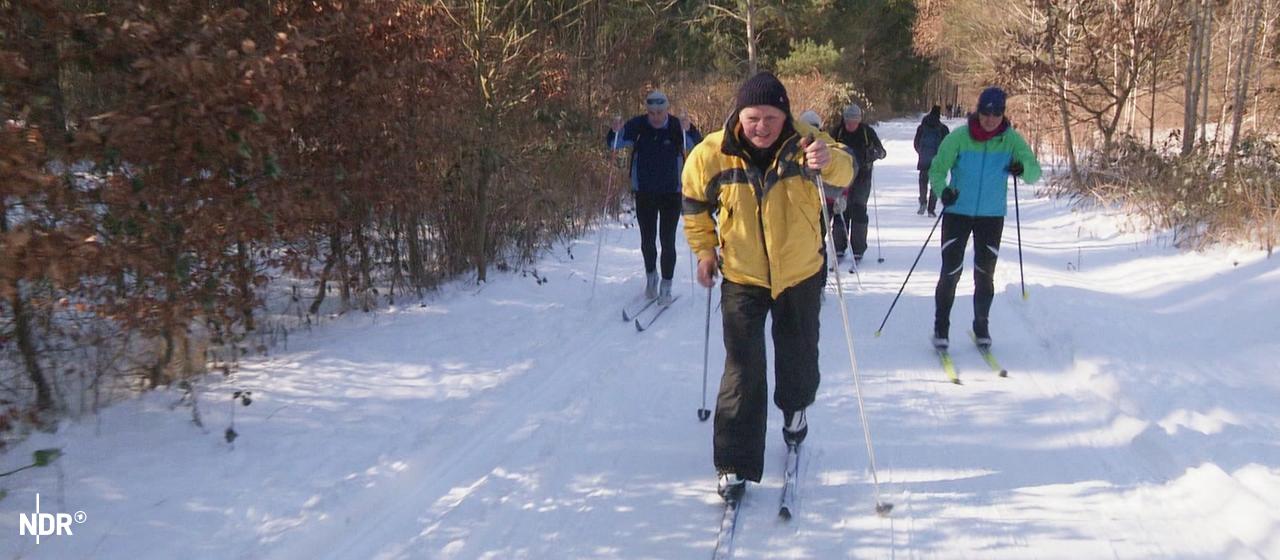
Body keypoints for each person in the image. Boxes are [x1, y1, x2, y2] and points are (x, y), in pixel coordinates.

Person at [682, 73, 855, 500]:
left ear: (786, 115)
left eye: (771, 117)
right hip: (743, 275)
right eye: (753, 117)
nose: (762, 126)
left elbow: (846, 171)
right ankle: (734, 463)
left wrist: (828, 160)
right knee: (743, 368)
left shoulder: (807, 142)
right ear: (739, 115)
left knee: (797, 354)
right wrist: (705, 252)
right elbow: (693, 204)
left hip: (799, 272)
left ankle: (795, 411)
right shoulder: (711, 153)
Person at [929, 87, 1041, 349]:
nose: (990, 119)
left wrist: (1022, 168)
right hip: (958, 212)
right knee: (951, 271)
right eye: (986, 112)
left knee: (984, 273)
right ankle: (941, 327)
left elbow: (1035, 173)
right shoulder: (959, 138)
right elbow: (937, 169)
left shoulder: (1011, 140)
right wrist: (942, 191)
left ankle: (982, 325)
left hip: (991, 216)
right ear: (978, 111)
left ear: (1003, 114)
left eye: (997, 113)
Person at [607, 91, 702, 305]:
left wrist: (690, 130)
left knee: (667, 242)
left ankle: (666, 286)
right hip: (645, 193)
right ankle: (651, 277)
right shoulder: (639, 125)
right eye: (651, 113)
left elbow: (697, 146)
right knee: (647, 241)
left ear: (667, 109)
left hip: (671, 193)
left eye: (660, 112)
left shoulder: (677, 125)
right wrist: (615, 131)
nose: (656, 117)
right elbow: (614, 143)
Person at [827, 104, 885, 264]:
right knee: (840, 210)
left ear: (859, 120)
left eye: (854, 121)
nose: (851, 124)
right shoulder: (837, 131)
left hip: (862, 178)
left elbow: (882, 152)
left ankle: (858, 248)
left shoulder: (866, 132)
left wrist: (874, 154)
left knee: (859, 210)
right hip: (841, 178)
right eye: (848, 121)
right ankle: (839, 247)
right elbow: (827, 147)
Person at [913, 105, 950, 217]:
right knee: (935, 184)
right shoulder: (943, 129)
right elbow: (948, 145)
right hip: (937, 161)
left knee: (923, 182)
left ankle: (923, 202)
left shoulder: (921, 128)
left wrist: (921, 153)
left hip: (924, 159)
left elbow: (916, 143)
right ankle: (931, 210)